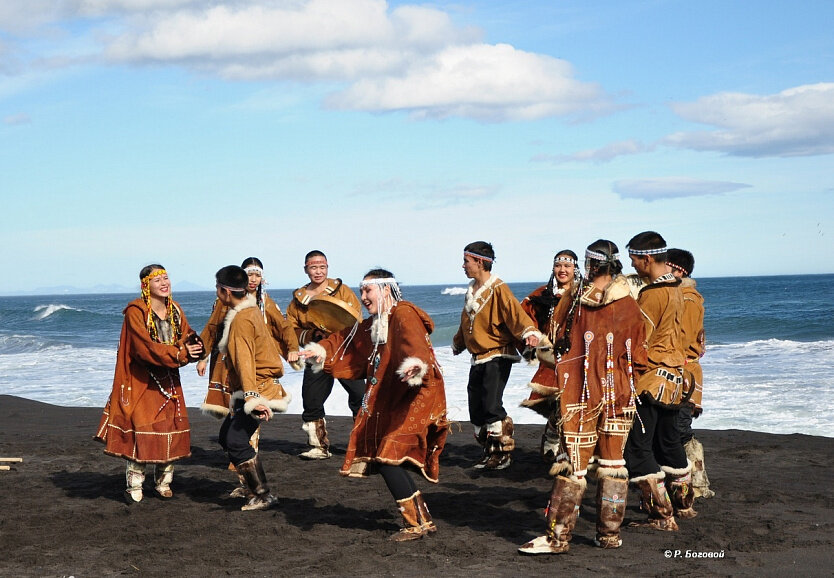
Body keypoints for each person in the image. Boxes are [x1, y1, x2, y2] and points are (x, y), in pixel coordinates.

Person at [519, 240, 648, 554]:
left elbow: (558, 342)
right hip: (620, 395)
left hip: (581, 394)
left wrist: (541, 352)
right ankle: (609, 536)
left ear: (590, 266)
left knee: (573, 467)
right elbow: (641, 356)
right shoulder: (630, 304)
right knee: (614, 463)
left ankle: (558, 538)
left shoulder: (577, 299)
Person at [301, 269, 448, 541]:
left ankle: (417, 524)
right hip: (391, 398)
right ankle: (421, 521)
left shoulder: (403, 312)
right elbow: (344, 338)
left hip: (416, 395)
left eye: (368, 291)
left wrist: (415, 364)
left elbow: (413, 342)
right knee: (387, 458)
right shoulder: (373, 324)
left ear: (386, 290)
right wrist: (319, 350)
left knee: (387, 456)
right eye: (362, 291)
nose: (363, 297)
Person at [94, 264, 203, 503]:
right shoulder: (136, 311)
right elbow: (144, 349)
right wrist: (179, 353)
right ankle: (134, 486)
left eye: (166, 278)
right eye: (157, 280)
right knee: (140, 431)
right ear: (146, 285)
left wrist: (195, 346)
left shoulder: (174, 309)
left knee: (170, 429)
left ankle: (164, 483)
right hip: (141, 381)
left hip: (169, 381)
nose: (164, 283)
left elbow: (186, 334)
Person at [198, 257, 301, 497]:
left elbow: (280, 330)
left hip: (254, 379)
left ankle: (259, 491)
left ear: (225, 290)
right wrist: (201, 355)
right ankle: (252, 486)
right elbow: (212, 330)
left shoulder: (251, 311)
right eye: (250, 274)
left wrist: (253, 397)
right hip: (236, 374)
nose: (254, 279)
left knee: (237, 438)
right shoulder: (235, 306)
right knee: (229, 436)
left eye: (257, 275)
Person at [622, 232, 693, 532]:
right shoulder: (679, 290)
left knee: (637, 449)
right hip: (676, 380)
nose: (633, 266)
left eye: (634, 260)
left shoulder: (651, 295)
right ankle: (684, 506)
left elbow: (639, 342)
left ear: (647, 259)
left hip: (652, 381)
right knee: (669, 443)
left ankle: (662, 515)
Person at [452, 241, 541, 470]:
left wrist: (529, 333)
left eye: (466, 261)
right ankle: (489, 451)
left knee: (492, 406)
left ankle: (502, 454)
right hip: (478, 357)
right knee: (477, 409)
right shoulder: (472, 290)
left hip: (498, 355)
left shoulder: (498, 288)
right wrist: (458, 343)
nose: (463, 266)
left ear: (480, 262)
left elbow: (516, 314)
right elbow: (466, 322)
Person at [287, 250, 366, 459]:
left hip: (345, 352)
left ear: (327, 267)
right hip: (316, 353)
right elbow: (290, 328)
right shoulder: (298, 299)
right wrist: (310, 334)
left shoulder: (343, 291)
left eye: (322, 267)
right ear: (306, 269)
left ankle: (365, 446)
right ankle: (318, 446)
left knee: (360, 396)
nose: (318, 271)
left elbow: (356, 318)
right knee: (311, 399)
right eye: (313, 267)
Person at [519, 250, 578, 465]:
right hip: (551, 358)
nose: (562, 270)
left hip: (577, 357)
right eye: (558, 266)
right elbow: (522, 317)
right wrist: (531, 335)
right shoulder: (542, 294)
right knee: (556, 404)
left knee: (573, 404)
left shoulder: (583, 293)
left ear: (575, 269)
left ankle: (565, 446)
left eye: (567, 266)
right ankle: (553, 438)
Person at [666, 248, 714, 504]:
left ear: (678, 270)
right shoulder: (680, 296)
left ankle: (697, 483)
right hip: (678, 373)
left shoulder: (688, 299)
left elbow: (682, 341)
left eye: (666, 266)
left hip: (684, 376)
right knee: (674, 430)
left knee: (681, 430)